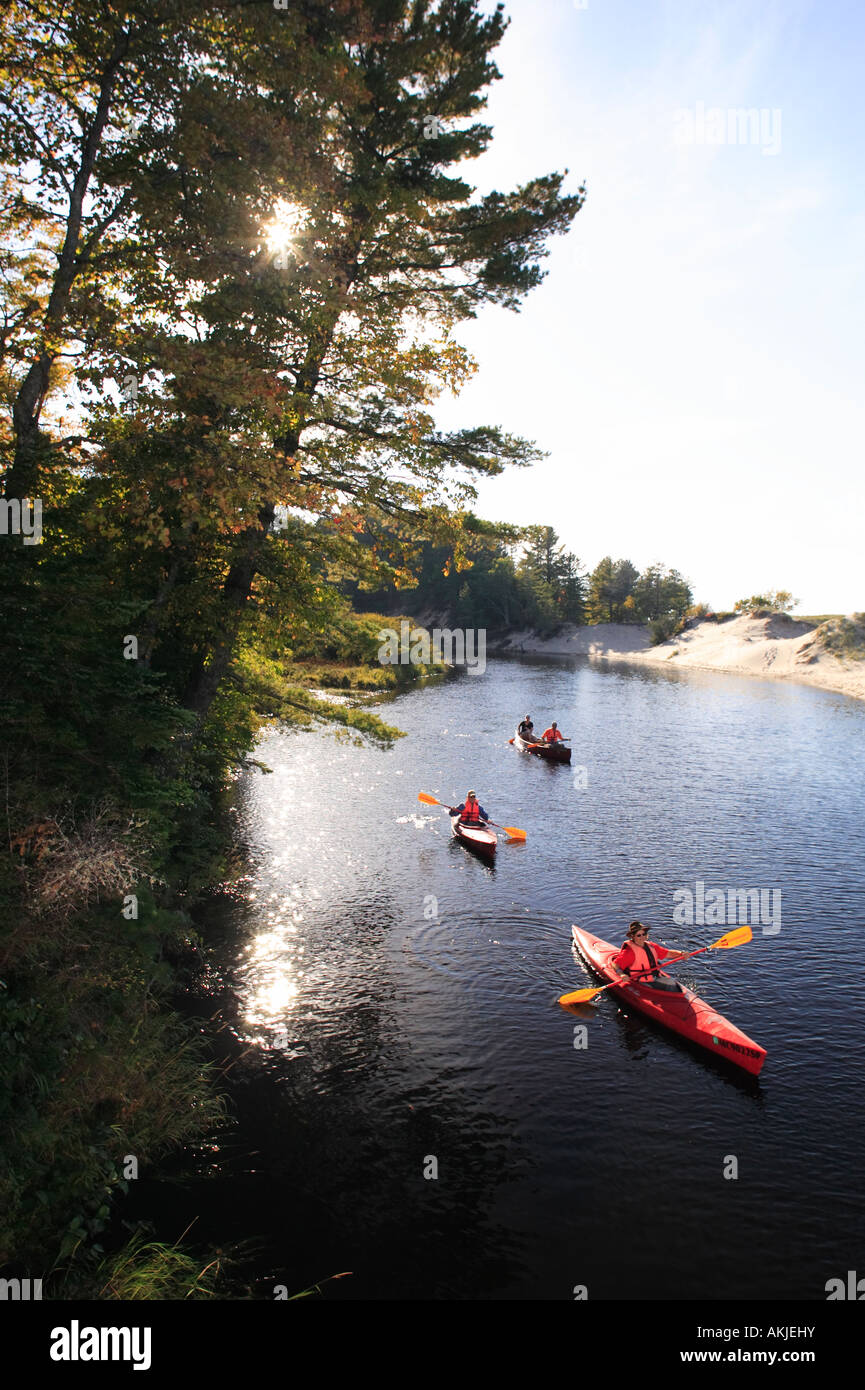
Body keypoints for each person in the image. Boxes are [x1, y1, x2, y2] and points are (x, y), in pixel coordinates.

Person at [611, 921, 688, 993]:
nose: (642, 937)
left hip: (654, 977)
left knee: (673, 985)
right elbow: (615, 964)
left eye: (643, 934)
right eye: (638, 935)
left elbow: (668, 953)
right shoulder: (629, 952)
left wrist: (681, 953)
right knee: (670, 983)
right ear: (633, 937)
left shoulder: (652, 946)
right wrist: (621, 974)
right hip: (641, 981)